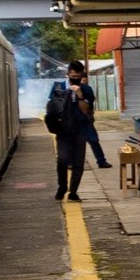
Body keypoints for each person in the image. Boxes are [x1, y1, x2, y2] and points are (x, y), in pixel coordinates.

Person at [49, 63, 92, 201]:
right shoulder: (58, 87)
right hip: (63, 130)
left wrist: (79, 94)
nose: (75, 79)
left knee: (78, 163)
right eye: (73, 76)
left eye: (78, 77)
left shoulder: (86, 90)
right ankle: (62, 186)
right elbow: (52, 107)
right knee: (62, 159)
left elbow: (86, 110)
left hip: (80, 129)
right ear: (68, 74)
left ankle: (73, 191)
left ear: (82, 76)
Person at [77, 62, 111, 169]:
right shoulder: (67, 89)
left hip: (85, 119)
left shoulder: (86, 89)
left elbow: (90, 105)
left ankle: (101, 160)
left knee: (93, 140)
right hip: (74, 120)